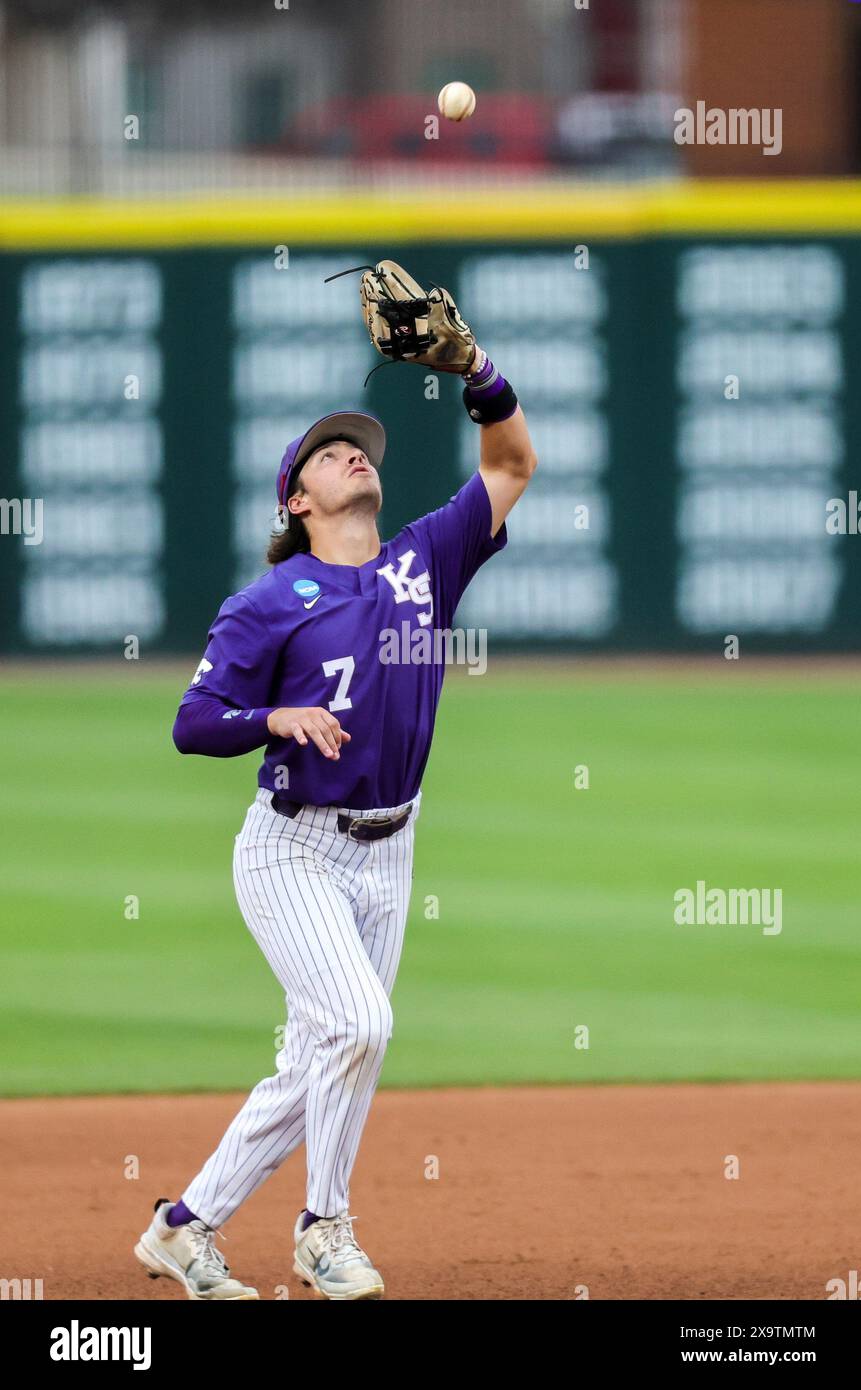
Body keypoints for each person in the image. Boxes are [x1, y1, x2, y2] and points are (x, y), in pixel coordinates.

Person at [133, 341, 536, 1301]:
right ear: (297, 502)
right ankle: (324, 1230)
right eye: (329, 453)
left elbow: (510, 463)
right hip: (293, 848)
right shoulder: (267, 603)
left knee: (320, 1057)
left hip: (392, 847)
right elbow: (192, 724)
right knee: (359, 1022)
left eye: (360, 447)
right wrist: (273, 715)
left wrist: (476, 366)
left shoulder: (424, 560)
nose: (355, 455)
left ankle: (182, 1230)